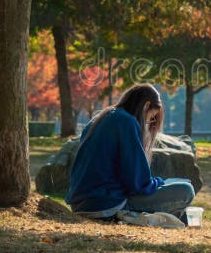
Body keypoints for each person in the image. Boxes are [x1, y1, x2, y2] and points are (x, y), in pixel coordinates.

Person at [66, 83, 195, 222]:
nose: (149, 123)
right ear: (146, 106)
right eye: (152, 117)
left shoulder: (99, 119)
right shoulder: (127, 122)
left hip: (80, 204)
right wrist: (158, 182)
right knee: (186, 190)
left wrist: (159, 182)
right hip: (106, 204)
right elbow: (138, 184)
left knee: (174, 183)